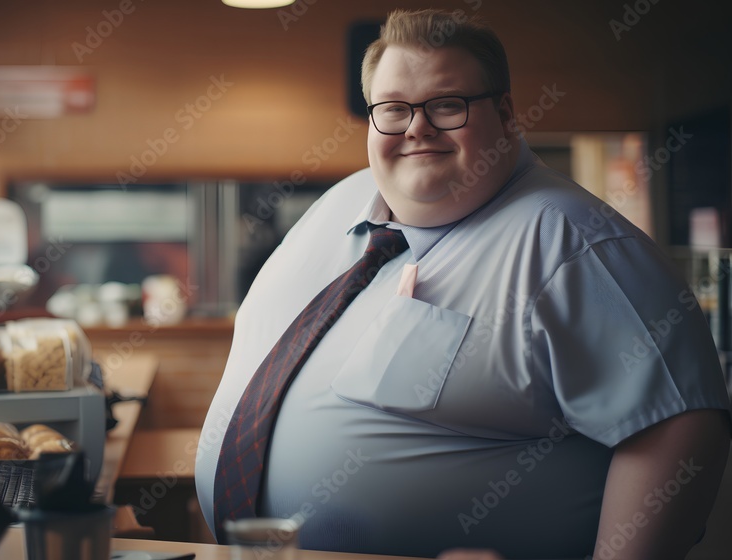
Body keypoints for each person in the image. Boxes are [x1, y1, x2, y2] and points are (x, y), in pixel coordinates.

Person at [195, 8, 731, 560]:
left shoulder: (573, 241)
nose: (417, 127)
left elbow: (679, 427)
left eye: (447, 105)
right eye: (394, 108)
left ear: (506, 113)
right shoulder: (337, 203)